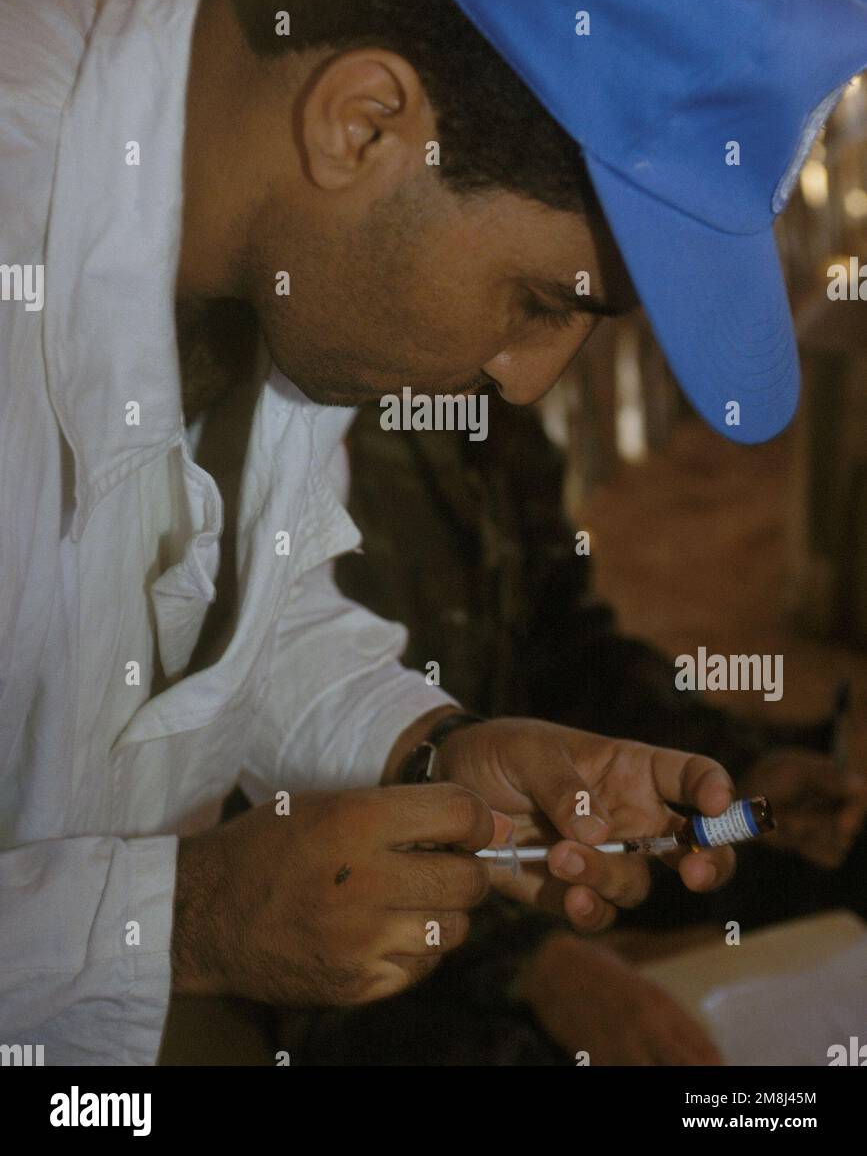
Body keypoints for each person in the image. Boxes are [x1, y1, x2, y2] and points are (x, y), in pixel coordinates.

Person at [2, 0, 867, 1065]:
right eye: (539, 299)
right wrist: (176, 927)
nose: (524, 381)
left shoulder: (234, 180)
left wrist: (427, 746)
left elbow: (245, 612)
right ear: (362, 124)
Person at [272, 392, 867, 1065]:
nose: (536, 370)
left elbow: (566, 648)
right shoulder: (299, 415)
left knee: (840, 858)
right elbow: (278, 793)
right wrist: (531, 963)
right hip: (341, 918)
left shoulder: (492, 410)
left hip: (523, 839)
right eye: (548, 303)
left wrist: (737, 765)